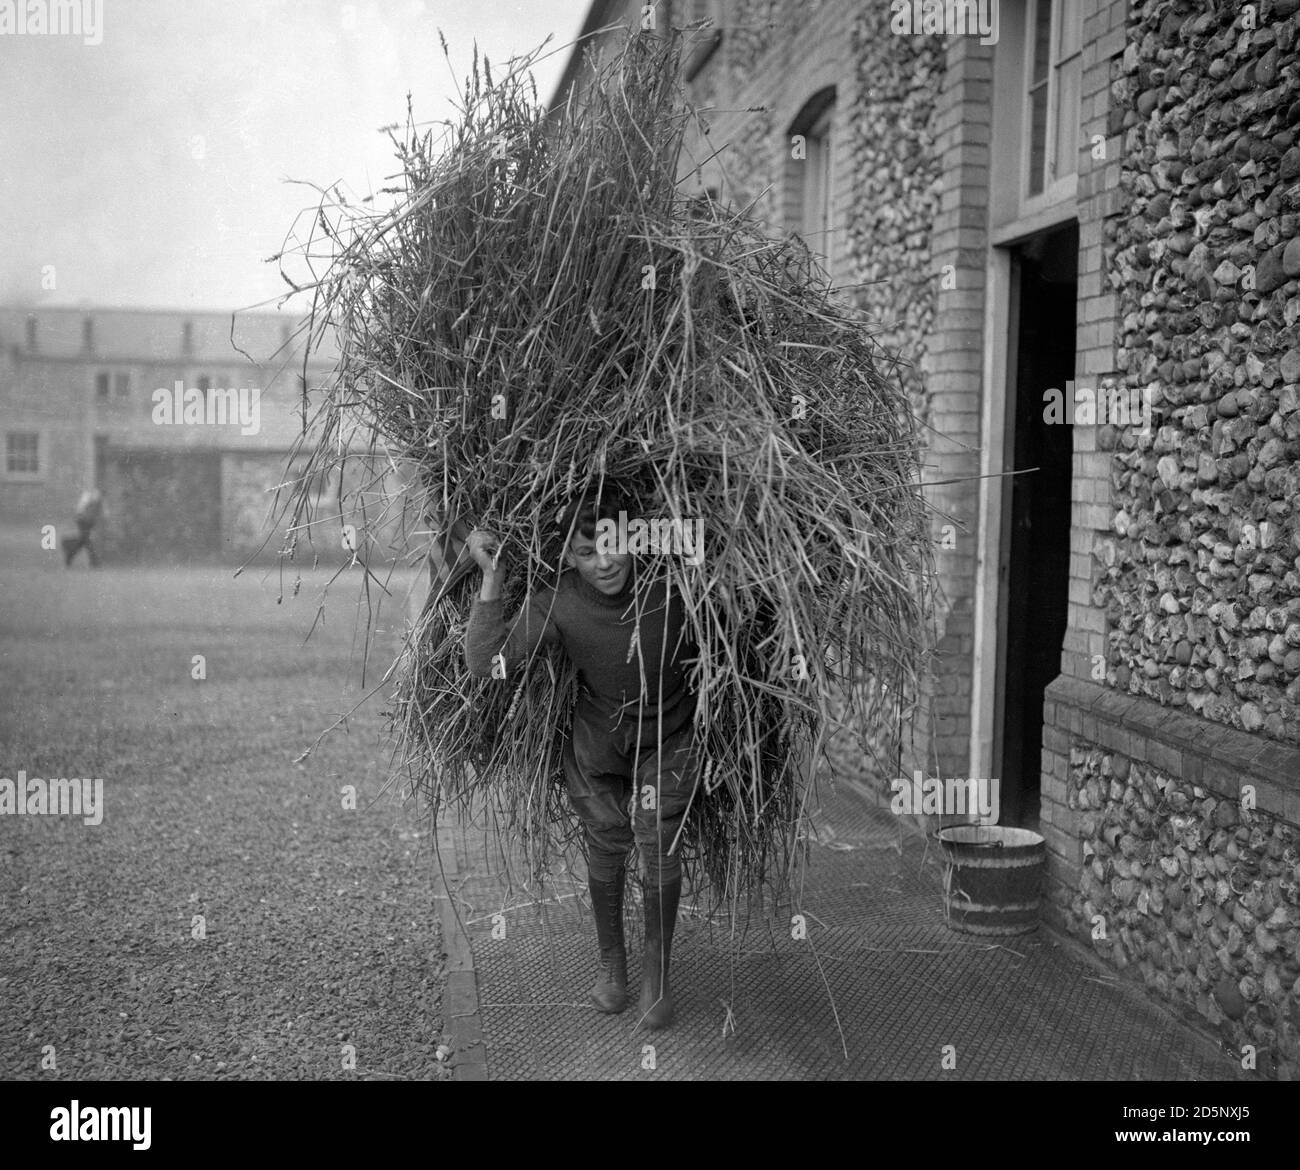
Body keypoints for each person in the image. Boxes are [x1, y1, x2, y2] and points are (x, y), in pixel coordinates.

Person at [463, 484, 699, 1029]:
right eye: (587, 553)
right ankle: (612, 966)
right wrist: (492, 578)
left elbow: (745, 609)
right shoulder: (560, 603)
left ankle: (657, 975)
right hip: (599, 742)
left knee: (657, 831)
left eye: (614, 545)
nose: (604, 563)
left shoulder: (677, 587)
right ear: (569, 555)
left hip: (672, 735)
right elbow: (486, 663)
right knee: (608, 837)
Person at [62, 488, 105, 568]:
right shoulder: (90, 494)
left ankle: (69, 556)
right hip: (84, 521)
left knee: (83, 541)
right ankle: (94, 562)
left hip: (88, 521)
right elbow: (81, 509)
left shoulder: (96, 496)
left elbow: (100, 512)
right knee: (86, 541)